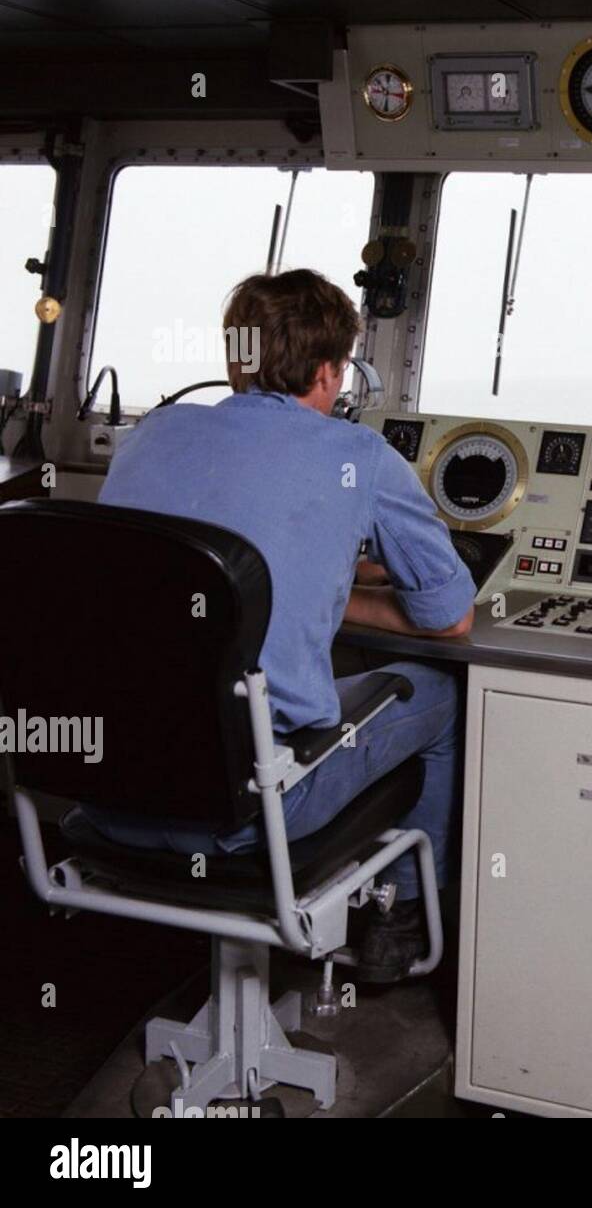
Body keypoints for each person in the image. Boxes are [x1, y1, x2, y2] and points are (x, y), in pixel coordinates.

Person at [85, 269, 476, 982]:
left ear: (236, 360)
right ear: (329, 373)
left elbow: (203, 576)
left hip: (110, 791)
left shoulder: (153, 433)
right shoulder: (359, 457)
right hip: (252, 812)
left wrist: (324, 583)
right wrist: (347, 592)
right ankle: (403, 917)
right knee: (444, 697)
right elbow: (451, 619)